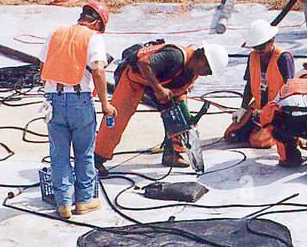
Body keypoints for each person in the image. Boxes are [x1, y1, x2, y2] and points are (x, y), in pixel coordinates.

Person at [94, 42, 229, 169]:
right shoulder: (175, 56)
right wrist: (158, 89)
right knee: (118, 116)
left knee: (179, 117)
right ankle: (97, 160)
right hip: (135, 77)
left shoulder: (193, 68)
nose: (206, 75)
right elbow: (143, 63)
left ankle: (172, 154)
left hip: (160, 81)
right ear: (202, 58)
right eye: (208, 70)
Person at [40, 3, 116, 220]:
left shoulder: (56, 33)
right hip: (79, 99)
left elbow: (42, 67)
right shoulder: (93, 37)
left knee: (59, 154)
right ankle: (84, 201)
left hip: (53, 99)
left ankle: (63, 203)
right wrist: (105, 104)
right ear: (97, 23)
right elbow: (99, 71)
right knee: (84, 152)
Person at [224, 19, 295, 149]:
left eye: (261, 47)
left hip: (276, 110)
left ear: (271, 41)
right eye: (255, 47)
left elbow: (290, 91)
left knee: (258, 142)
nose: (258, 51)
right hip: (258, 107)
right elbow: (249, 84)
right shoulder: (252, 57)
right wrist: (243, 108)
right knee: (231, 135)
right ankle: (256, 127)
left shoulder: (283, 58)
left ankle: (271, 131)